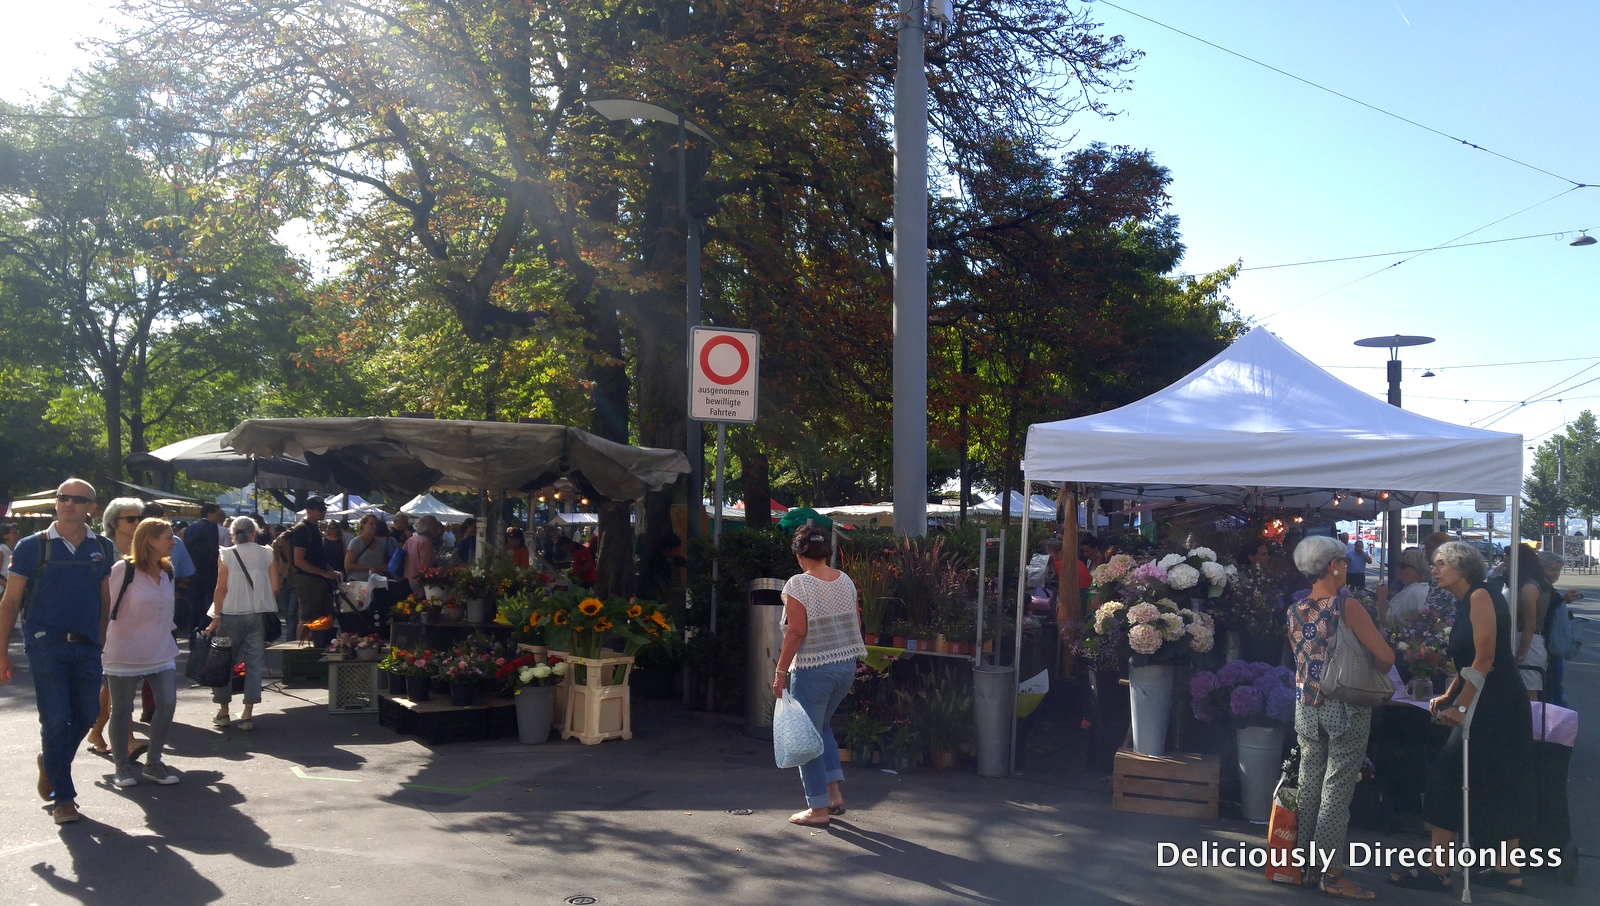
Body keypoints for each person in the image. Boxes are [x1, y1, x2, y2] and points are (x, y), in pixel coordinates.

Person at [1389, 542, 1534, 892]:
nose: (1434, 570)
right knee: (1497, 777)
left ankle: (1440, 869)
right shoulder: (1468, 600)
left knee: (1446, 775)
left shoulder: (1481, 596)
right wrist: (1450, 694)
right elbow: (1469, 661)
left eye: (1441, 564)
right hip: (1491, 698)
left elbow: (1485, 659)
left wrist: (1462, 706)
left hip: (1495, 702)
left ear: (1462, 568)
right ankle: (1507, 868)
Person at [0, 479, 116, 824]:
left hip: (87, 647)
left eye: (78, 500)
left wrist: (102, 639)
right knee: (54, 718)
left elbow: (104, 597)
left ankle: (52, 760)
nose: (69, 504)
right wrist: (2, 651)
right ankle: (63, 799)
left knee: (85, 715)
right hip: (45, 644)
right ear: (55, 502)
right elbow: (10, 603)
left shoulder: (103, 547)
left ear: (91, 508)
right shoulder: (31, 546)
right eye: (63, 498)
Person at [1288, 535, 1394, 900]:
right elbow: (1386, 656)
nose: (1347, 566)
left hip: (1306, 706)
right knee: (1337, 787)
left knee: (1309, 784)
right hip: (1343, 706)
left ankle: (1302, 866)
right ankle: (1331, 873)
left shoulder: (1296, 609)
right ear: (1332, 565)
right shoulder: (1347, 607)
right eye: (1344, 561)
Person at [772, 525, 866, 828]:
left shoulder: (798, 584)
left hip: (814, 668)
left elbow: (797, 631)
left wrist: (780, 672)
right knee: (822, 729)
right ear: (824, 551)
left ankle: (817, 808)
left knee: (806, 739)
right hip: (846, 665)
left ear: (800, 554)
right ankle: (833, 794)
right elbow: (856, 620)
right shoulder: (845, 580)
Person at [104, 518, 183, 788]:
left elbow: (167, 608)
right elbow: (106, 607)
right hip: (125, 649)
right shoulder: (123, 569)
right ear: (150, 539)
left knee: (168, 703)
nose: (173, 542)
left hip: (160, 649)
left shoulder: (168, 570)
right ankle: (122, 767)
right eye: (168, 537)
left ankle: (153, 762)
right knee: (122, 709)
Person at [86, 498, 148, 759]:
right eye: (131, 519)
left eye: (139, 518)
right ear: (114, 523)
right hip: (107, 625)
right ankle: (127, 738)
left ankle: (96, 730)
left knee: (113, 684)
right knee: (118, 681)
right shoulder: (103, 549)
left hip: (133, 625)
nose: (137, 523)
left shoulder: (139, 549)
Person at [208, 517, 279, 731]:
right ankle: (247, 714)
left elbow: (221, 588)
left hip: (230, 614)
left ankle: (223, 712)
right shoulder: (267, 553)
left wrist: (215, 617)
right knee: (254, 664)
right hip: (256, 615)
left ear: (232, 534)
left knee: (224, 662)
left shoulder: (226, 554)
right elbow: (275, 587)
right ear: (254, 533)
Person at [290, 498, 339, 641]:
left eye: (324, 508)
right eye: (320, 509)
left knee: (325, 615)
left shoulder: (314, 528)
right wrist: (324, 573)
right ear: (309, 510)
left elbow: (317, 557)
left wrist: (330, 571)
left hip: (318, 579)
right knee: (308, 617)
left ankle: (318, 645)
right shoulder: (301, 529)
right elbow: (299, 560)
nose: (324, 511)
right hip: (307, 579)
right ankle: (300, 651)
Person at [1509, 543, 1551, 700]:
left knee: (1528, 693)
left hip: (1528, 644)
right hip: (1529, 642)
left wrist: (1520, 656)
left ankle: (1532, 724)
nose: (1506, 564)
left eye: (1508, 560)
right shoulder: (1536, 583)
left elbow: (1530, 625)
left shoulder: (1529, 588)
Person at [1538, 551, 1580, 706]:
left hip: (1548, 646)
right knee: (1553, 687)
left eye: (1558, 570)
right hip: (1548, 646)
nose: (1556, 573)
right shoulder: (1541, 589)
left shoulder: (1545, 589)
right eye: (1552, 569)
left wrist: (1563, 600)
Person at [181, 503, 226, 634]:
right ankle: (205, 629)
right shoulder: (211, 527)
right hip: (209, 571)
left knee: (196, 603)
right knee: (212, 603)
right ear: (209, 514)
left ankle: (193, 631)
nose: (219, 517)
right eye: (217, 514)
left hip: (193, 570)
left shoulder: (190, 528)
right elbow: (213, 548)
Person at [1380, 547, 1430, 624]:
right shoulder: (1423, 589)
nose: (1399, 568)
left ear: (1417, 571)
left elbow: (1388, 622)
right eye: (1398, 564)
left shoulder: (1413, 593)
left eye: (1403, 566)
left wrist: (1381, 597)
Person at [402, 514, 441, 597]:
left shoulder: (411, 539)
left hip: (406, 578)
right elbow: (425, 566)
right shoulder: (426, 542)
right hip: (419, 582)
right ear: (431, 527)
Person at [0, 521, 18, 595]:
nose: (17, 534)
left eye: (17, 532)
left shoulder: (13, 550)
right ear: (5, 536)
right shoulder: (1, 551)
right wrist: (8, 585)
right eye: (14, 533)